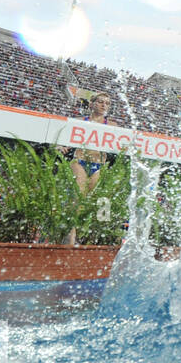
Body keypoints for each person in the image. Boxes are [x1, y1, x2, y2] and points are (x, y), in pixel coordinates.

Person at [64, 91, 111, 246]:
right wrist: (61, 145)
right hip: (80, 161)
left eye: (107, 103)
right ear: (92, 104)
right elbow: (64, 136)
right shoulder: (80, 121)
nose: (104, 105)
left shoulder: (111, 126)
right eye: (101, 102)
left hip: (99, 165)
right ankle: (69, 239)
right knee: (77, 199)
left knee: (96, 203)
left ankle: (90, 239)